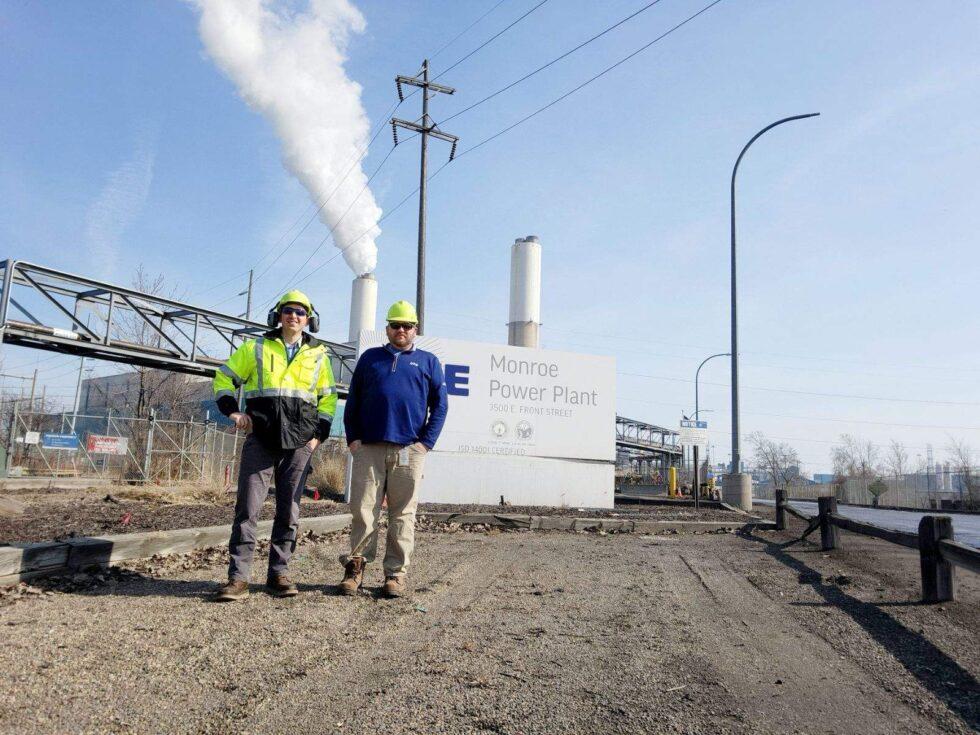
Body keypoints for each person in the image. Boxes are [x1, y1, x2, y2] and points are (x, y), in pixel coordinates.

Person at [211, 290, 337, 601]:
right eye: (288, 310)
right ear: (277, 315)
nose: (293, 316)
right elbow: (223, 379)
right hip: (262, 440)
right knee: (248, 509)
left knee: (289, 511)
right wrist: (233, 411)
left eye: (300, 312)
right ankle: (238, 578)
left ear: (309, 319)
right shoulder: (255, 347)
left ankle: (279, 574)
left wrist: (316, 437)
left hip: (299, 445)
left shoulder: (319, 355)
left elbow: (328, 399)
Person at [339, 300, 448, 598]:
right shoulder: (370, 358)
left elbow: (440, 405)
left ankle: (395, 574)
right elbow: (354, 401)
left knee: (403, 514)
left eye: (407, 326)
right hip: (370, 447)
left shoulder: (427, 362)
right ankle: (356, 568)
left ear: (416, 329)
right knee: (363, 510)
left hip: (408, 449)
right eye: (395, 325)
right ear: (386, 327)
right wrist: (353, 439)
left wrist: (425, 443)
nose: (401, 330)